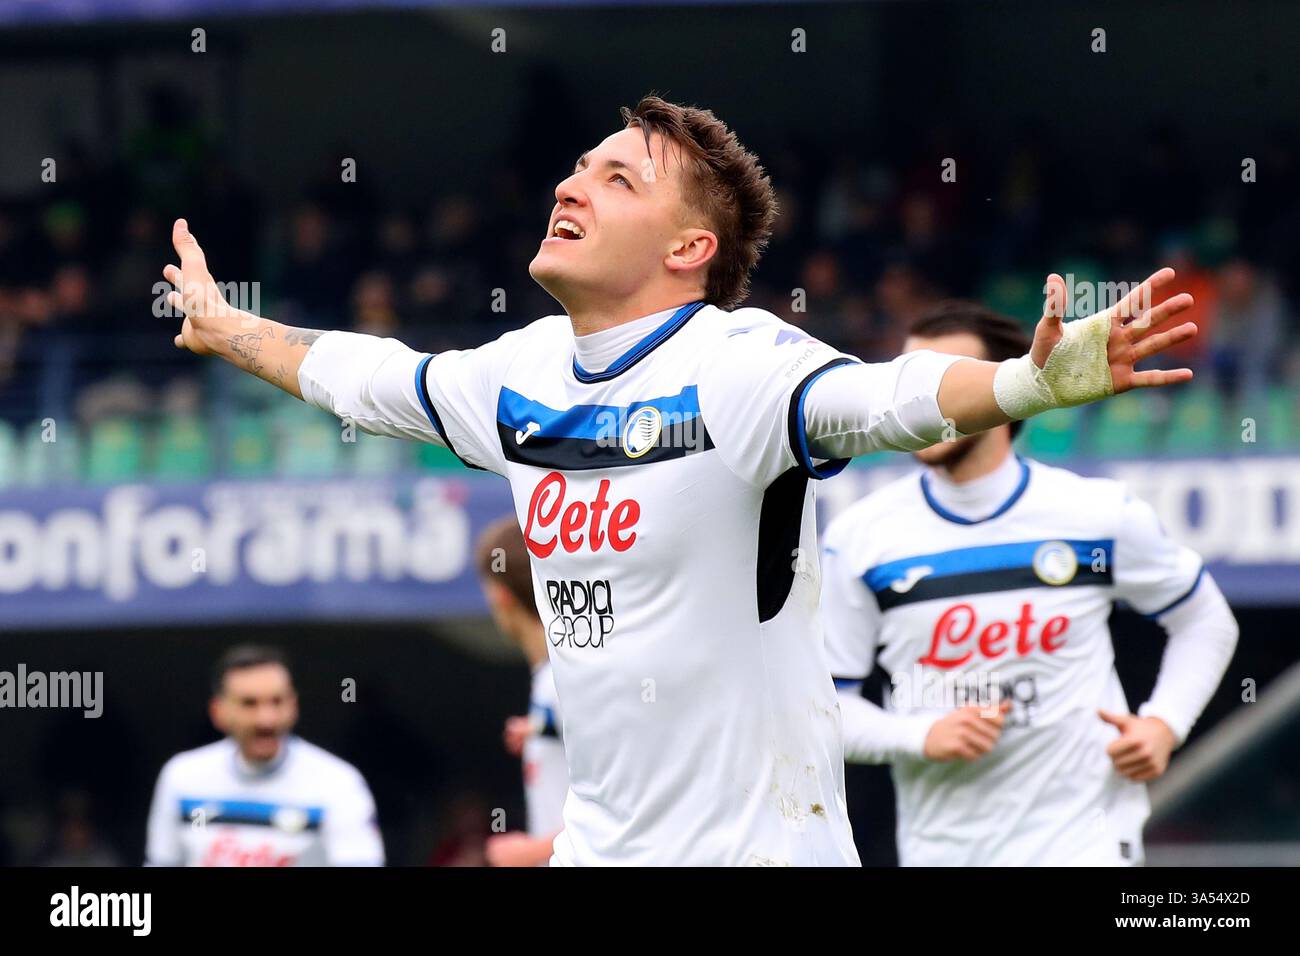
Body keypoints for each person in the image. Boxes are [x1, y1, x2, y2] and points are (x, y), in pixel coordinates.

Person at [160, 95, 1198, 866]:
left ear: (690, 247)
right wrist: (227, 325)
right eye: (578, 167)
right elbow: (371, 376)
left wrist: (1023, 380)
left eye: (619, 179)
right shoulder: (518, 374)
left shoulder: (738, 361)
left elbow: (884, 399)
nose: (571, 185)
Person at [820, 302, 1238, 866]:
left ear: (1001, 392)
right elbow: (825, 707)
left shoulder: (1096, 514)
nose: (919, 403)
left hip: (1085, 843)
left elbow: (1204, 619)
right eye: (909, 384)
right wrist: (917, 737)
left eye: (944, 383)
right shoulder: (860, 539)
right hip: (943, 850)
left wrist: (1165, 722)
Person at [145, 645, 384, 866]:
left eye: (277, 702)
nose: (266, 720)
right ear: (218, 711)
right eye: (249, 704)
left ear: (293, 706)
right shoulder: (182, 776)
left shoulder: (338, 783)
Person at [474, 515, 568, 867]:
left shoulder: (563, 681)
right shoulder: (551, 680)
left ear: (501, 596)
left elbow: (630, 801)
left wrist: (528, 852)